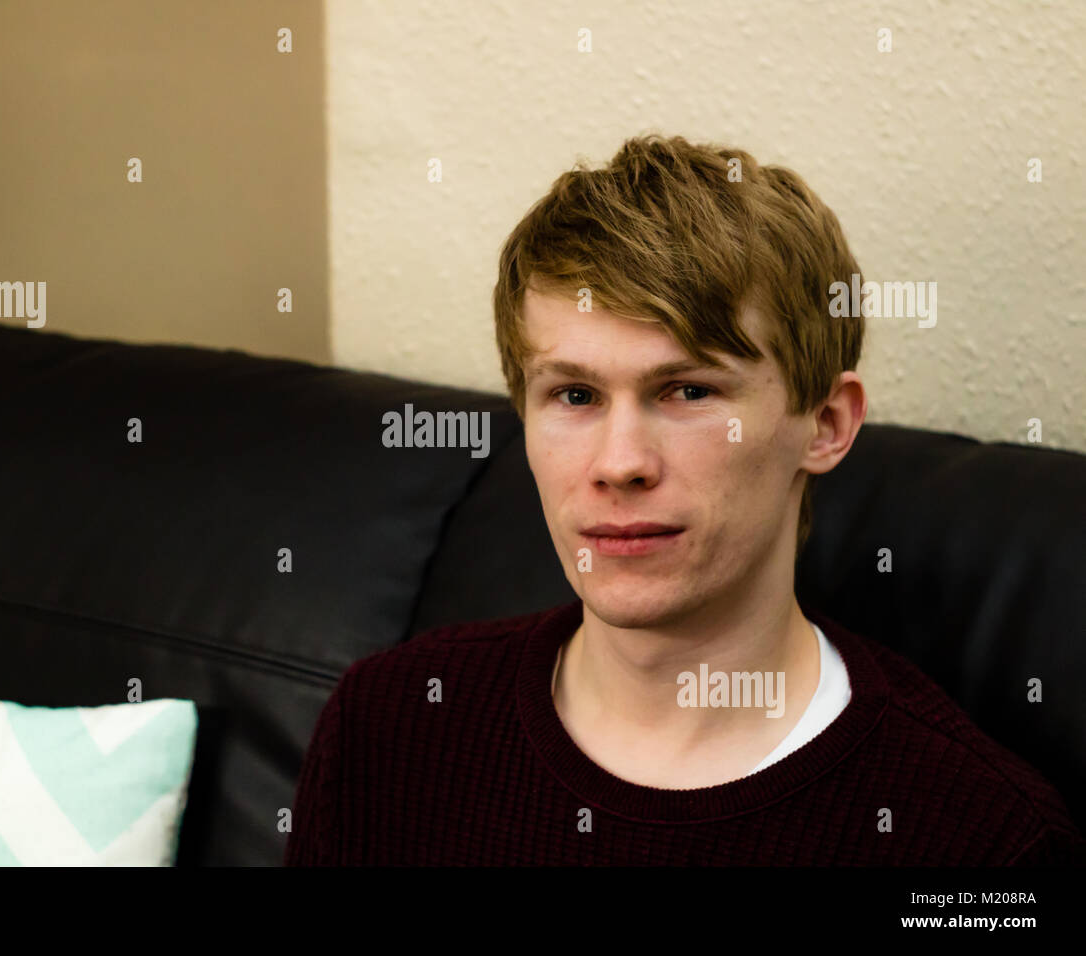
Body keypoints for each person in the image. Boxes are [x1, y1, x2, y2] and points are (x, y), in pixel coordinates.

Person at [284, 133, 1085, 865]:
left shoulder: (983, 843)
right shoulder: (388, 726)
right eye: (572, 396)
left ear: (826, 425)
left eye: (688, 391)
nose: (620, 463)